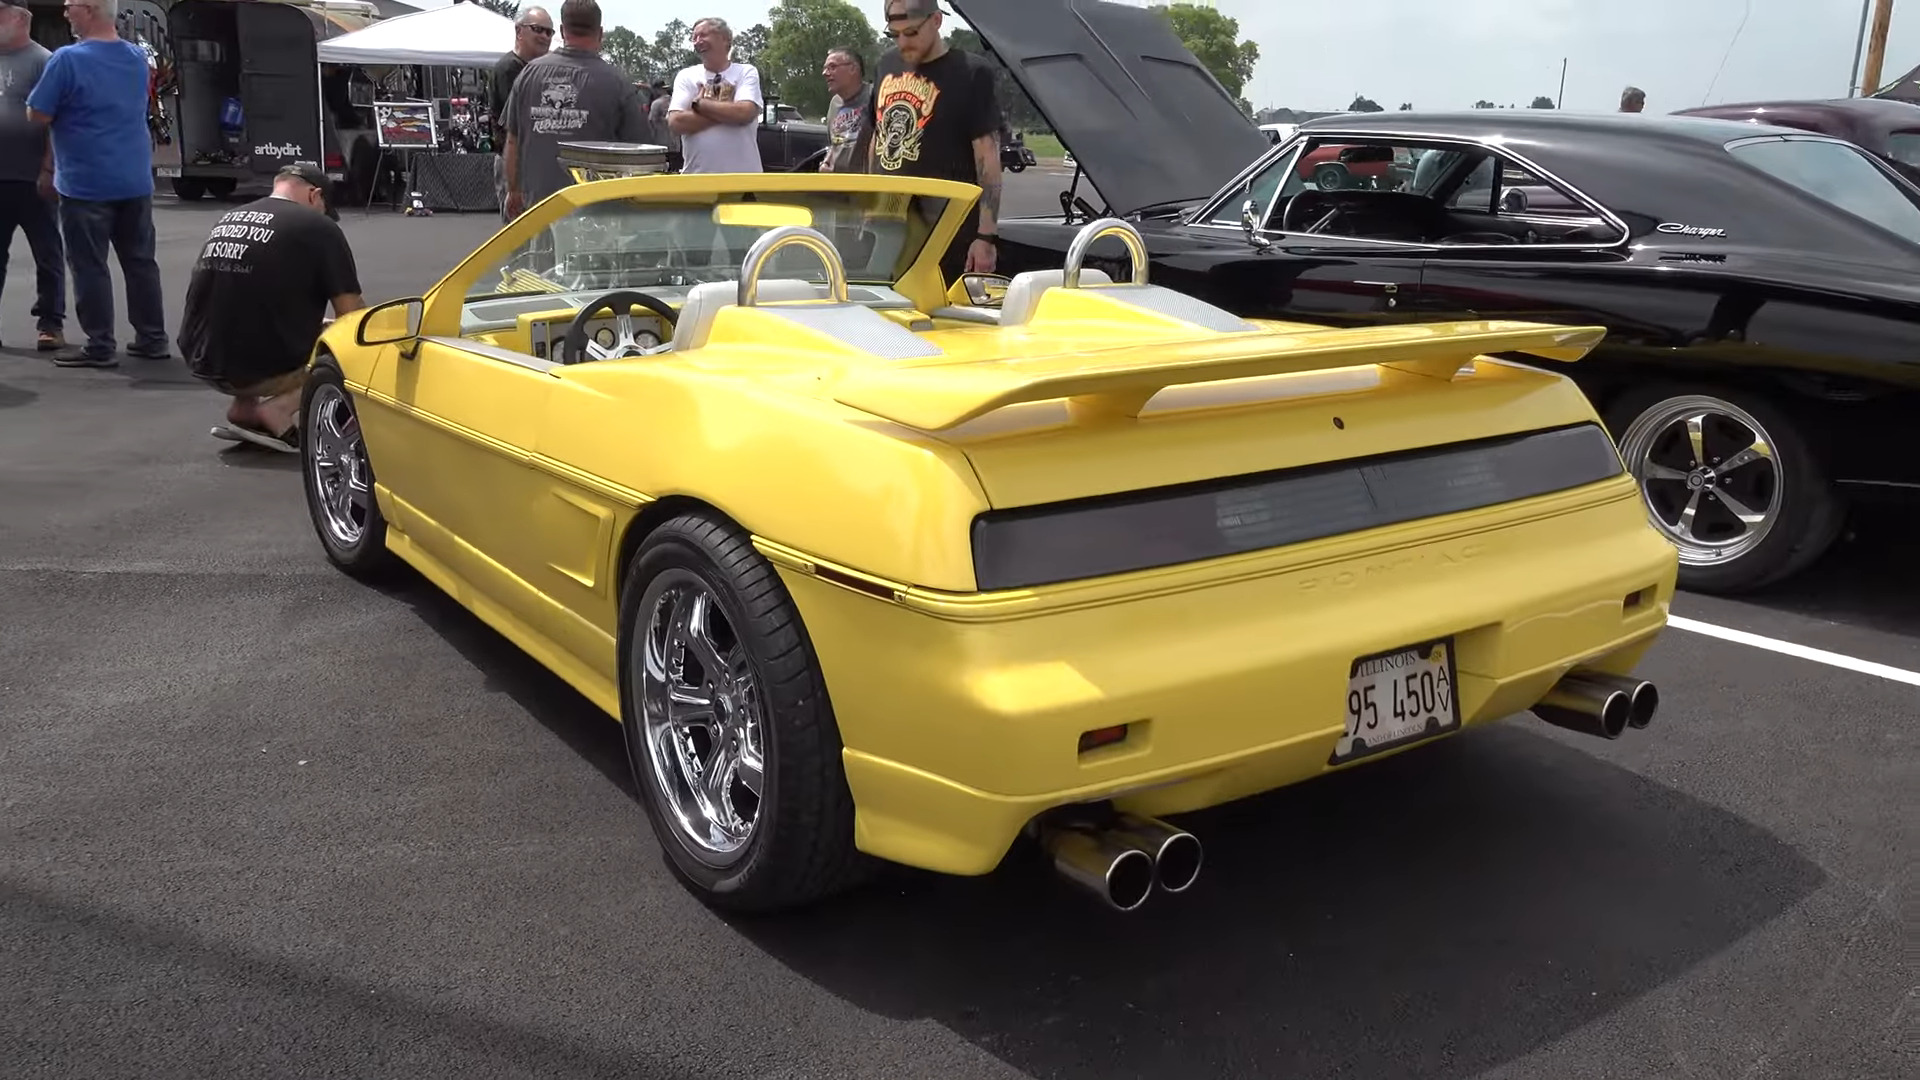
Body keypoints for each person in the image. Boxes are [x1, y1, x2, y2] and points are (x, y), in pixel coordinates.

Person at [179, 163, 363, 453]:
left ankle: (243, 408)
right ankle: (278, 408)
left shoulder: (230, 217)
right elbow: (351, 312)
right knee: (355, 339)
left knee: (243, 303)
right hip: (262, 370)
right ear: (315, 196)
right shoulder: (318, 227)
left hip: (201, 357)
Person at [25, 0, 167, 369]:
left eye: (70, 6)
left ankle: (100, 344)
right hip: (134, 176)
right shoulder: (137, 57)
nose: (65, 12)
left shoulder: (67, 60)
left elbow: (37, 113)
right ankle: (152, 337)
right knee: (140, 263)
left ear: (89, 10)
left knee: (89, 265)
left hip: (86, 180)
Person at [864, 0, 1003, 280]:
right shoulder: (886, 64)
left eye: (912, 33)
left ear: (937, 21)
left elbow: (987, 156)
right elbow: (877, 135)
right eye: (895, 34)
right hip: (887, 224)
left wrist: (986, 236)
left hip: (944, 231)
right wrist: (870, 200)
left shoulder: (971, 72)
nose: (903, 43)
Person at [502, 0, 650, 218]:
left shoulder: (528, 75)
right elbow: (639, 153)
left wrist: (513, 191)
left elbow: (512, 140)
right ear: (600, 33)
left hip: (538, 209)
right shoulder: (617, 83)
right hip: (595, 211)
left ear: (562, 30)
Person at [0, 0, 64, 353]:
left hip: (33, 177)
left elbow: (57, 121)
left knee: (47, 253)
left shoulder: (44, 61)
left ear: (19, 18)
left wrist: (50, 168)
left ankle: (50, 323)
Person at [667, 17, 764, 174]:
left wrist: (701, 105)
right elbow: (676, 122)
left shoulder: (746, 72)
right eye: (694, 37)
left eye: (703, 35)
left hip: (744, 180)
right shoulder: (686, 76)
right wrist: (728, 109)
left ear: (725, 39)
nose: (698, 41)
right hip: (697, 180)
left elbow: (745, 113)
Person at [489, 6, 553, 222]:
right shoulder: (509, 69)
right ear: (519, 32)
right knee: (519, 232)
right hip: (515, 162)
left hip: (536, 163)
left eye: (549, 32)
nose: (545, 36)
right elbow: (516, 126)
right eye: (538, 29)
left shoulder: (537, 69)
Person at [818, 46, 871, 174]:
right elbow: (835, 143)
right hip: (838, 185)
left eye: (832, 67)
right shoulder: (835, 103)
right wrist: (827, 161)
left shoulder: (875, 96)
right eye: (825, 68)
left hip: (867, 186)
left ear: (853, 68)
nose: (825, 73)